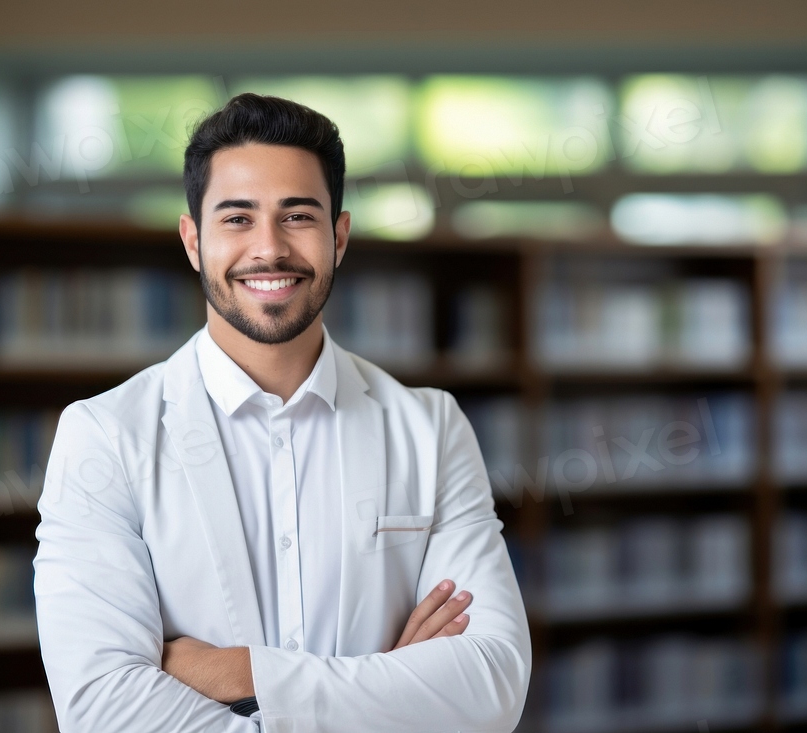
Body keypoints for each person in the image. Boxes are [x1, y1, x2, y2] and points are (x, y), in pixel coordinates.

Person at [33, 93, 531, 733]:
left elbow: (490, 684)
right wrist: (389, 685)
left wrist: (239, 671)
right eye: (237, 218)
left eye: (297, 215)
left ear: (339, 236)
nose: (269, 249)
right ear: (193, 240)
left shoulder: (431, 428)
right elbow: (104, 707)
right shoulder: (104, 437)